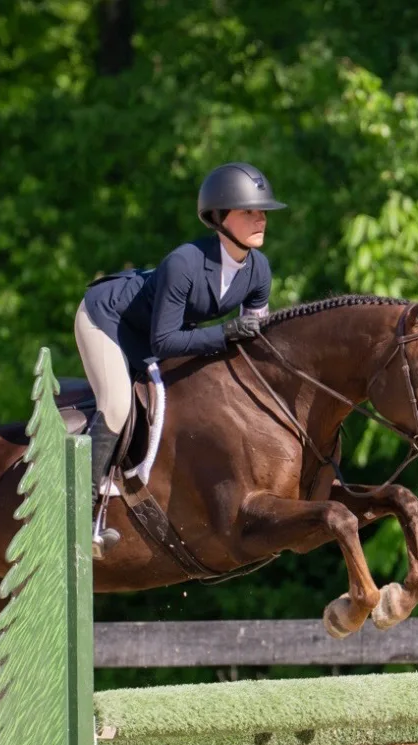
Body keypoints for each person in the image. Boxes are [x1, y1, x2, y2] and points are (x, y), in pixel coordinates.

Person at [74, 161, 286, 555]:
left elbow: (255, 337)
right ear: (220, 218)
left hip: (158, 332)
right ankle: (80, 513)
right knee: (118, 405)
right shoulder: (184, 263)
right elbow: (166, 342)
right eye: (249, 212)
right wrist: (223, 333)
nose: (261, 220)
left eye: (263, 212)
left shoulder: (258, 270)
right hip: (108, 320)